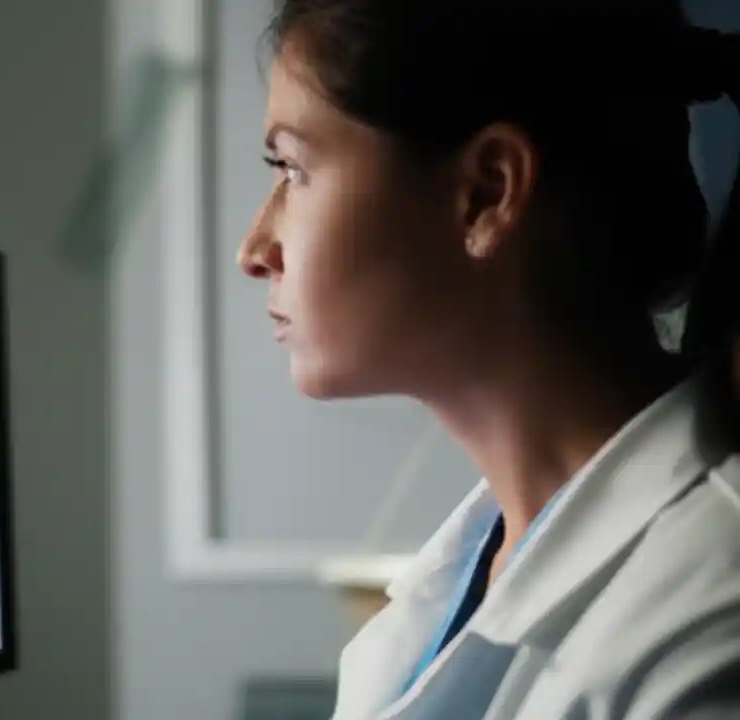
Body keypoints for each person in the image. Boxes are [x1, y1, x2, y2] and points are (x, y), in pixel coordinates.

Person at [237, 1, 740, 718]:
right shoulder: (462, 578)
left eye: (293, 168)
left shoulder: (713, 624)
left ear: (486, 194)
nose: (254, 251)